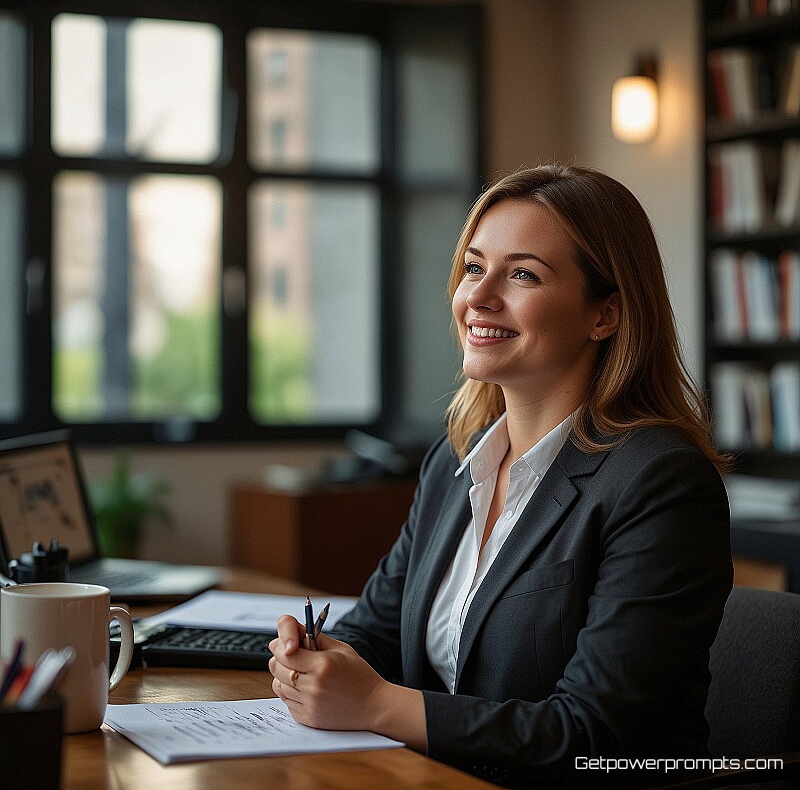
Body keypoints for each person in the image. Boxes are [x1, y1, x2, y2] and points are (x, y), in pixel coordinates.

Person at [269, 164, 733, 787]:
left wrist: (378, 704)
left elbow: (598, 734)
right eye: (472, 267)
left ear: (606, 315)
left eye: (522, 274)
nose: (479, 297)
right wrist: (311, 661)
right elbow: (374, 634)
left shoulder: (660, 482)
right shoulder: (452, 464)